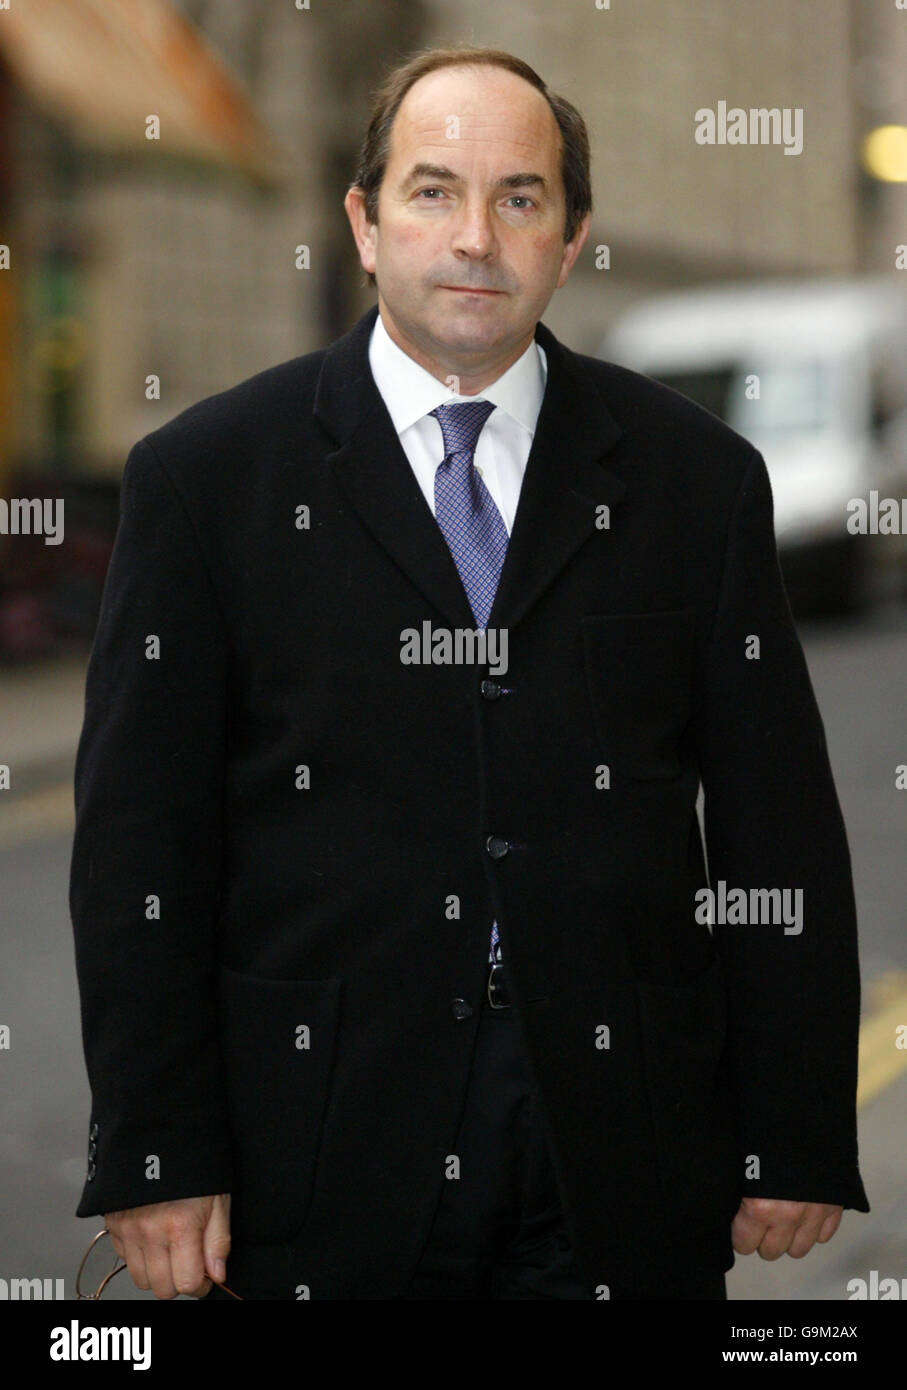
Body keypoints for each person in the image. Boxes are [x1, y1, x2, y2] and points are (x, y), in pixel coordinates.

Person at [69, 45, 869, 1301]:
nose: (475, 238)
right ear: (363, 223)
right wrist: (157, 1145)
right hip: (315, 1152)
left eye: (520, 197)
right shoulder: (206, 481)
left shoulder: (697, 481)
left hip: (621, 1148)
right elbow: (138, 849)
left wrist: (797, 1121)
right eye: (433, 191)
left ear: (572, 237)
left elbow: (780, 828)